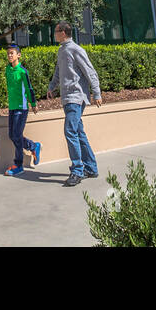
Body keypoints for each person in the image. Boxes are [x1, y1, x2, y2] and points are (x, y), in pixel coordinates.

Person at [46, 21, 101, 187]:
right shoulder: (62, 50)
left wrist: (97, 92)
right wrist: (52, 86)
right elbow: (58, 71)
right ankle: (91, 168)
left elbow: (90, 71)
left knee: (70, 131)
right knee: (78, 132)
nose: (54, 34)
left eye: (56, 31)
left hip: (75, 98)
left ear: (63, 32)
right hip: (67, 97)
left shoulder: (76, 49)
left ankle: (77, 170)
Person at [3, 42, 40, 176]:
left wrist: (33, 103)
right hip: (12, 107)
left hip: (21, 108)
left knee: (17, 135)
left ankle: (18, 165)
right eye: (8, 53)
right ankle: (33, 146)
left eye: (12, 53)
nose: (9, 55)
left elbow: (29, 88)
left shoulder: (23, 71)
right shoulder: (8, 69)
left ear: (18, 55)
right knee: (12, 135)